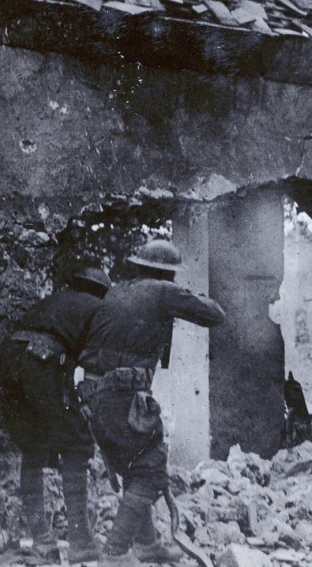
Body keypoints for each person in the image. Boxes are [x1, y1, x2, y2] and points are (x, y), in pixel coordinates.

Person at [78, 239, 226, 566]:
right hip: (122, 394)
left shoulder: (116, 291)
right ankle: (115, 552)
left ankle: (146, 545)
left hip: (92, 394)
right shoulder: (162, 291)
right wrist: (180, 296)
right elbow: (215, 314)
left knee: (135, 465)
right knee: (149, 469)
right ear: (166, 273)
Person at [0, 264, 111, 564]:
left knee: (32, 446)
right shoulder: (99, 309)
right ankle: (81, 541)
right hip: (40, 361)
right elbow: (92, 363)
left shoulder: (56, 301)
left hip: (10, 359)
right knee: (77, 444)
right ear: (100, 291)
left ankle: (43, 541)